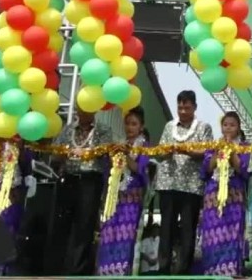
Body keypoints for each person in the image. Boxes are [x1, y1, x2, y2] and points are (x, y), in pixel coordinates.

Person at [155, 90, 214, 274]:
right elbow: (160, 152)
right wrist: (168, 151)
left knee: (188, 228)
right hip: (168, 183)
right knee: (167, 227)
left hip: (191, 186)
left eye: (186, 107)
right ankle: (163, 268)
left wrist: (187, 151)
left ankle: (183, 270)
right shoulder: (169, 126)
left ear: (194, 107)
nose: (182, 110)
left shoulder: (204, 127)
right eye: (180, 106)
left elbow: (207, 153)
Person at [53, 108, 112, 275]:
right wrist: (64, 153)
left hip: (90, 181)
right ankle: (59, 268)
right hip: (69, 179)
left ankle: (78, 271)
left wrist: (86, 153)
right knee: (62, 223)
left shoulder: (103, 129)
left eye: (87, 109)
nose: (83, 113)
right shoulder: (68, 128)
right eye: (80, 109)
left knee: (84, 225)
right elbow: (55, 151)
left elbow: (105, 150)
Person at [96, 107, 151, 276]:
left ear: (141, 127)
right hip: (114, 196)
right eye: (127, 123)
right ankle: (104, 270)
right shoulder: (119, 144)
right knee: (108, 231)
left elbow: (138, 169)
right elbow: (109, 171)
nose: (130, 128)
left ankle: (120, 271)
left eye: (134, 124)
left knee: (125, 233)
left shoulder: (144, 147)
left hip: (132, 197)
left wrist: (125, 154)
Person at [198, 111, 250, 276]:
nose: (228, 128)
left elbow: (242, 168)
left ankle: (231, 269)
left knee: (232, 232)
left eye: (232, 125)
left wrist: (231, 151)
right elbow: (206, 169)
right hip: (213, 194)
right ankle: (212, 269)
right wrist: (218, 151)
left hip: (234, 194)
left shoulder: (244, 146)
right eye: (225, 125)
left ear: (238, 128)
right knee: (212, 231)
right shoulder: (214, 144)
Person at [0, 135, 34, 275]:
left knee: (9, 230)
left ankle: (6, 270)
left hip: (12, 195)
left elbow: (28, 169)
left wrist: (20, 149)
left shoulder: (21, 144)